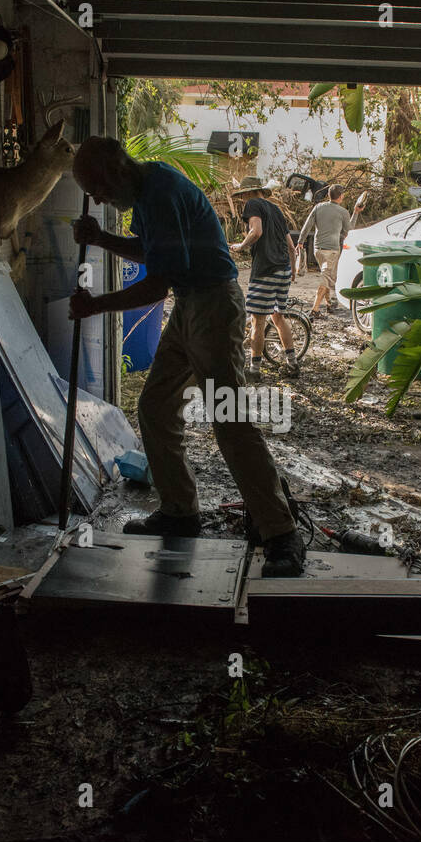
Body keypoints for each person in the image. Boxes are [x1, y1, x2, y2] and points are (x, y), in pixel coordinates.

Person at [67, 137, 305, 576]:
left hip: (213, 304)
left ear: (118, 169)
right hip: (192, 302)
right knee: (155, 406)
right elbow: (155, 252)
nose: (99, 198)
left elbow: (155, 284)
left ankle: (281, 533)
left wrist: (95, 305)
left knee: (229, 418)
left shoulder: (160, 193)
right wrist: (102, 238)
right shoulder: (149, 190)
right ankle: (179, 511)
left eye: (98, 187)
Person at [229, 176, 298, 382]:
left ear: (249, 193)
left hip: (265, 270)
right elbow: (291, 247)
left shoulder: (253, 204)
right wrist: (292, 270)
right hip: (283, 269)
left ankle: (254, 369)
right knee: (278, 316)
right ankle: (293, 364)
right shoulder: (276, 209)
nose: (242, 201)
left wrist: (241, 246)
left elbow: (256, 231)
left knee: (257, 320)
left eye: (242, 197)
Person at [297, 185, 365, 317]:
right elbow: (348, 231)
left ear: (329, 195)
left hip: (317, 249)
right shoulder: (343, 212)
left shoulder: (318, 207)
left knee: (326, 276)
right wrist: (356, 212)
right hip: (332, 251)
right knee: (326, 278)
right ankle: (315, 309)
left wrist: (300, 241)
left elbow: (307, 225)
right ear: (341, 196)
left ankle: (329, 304)